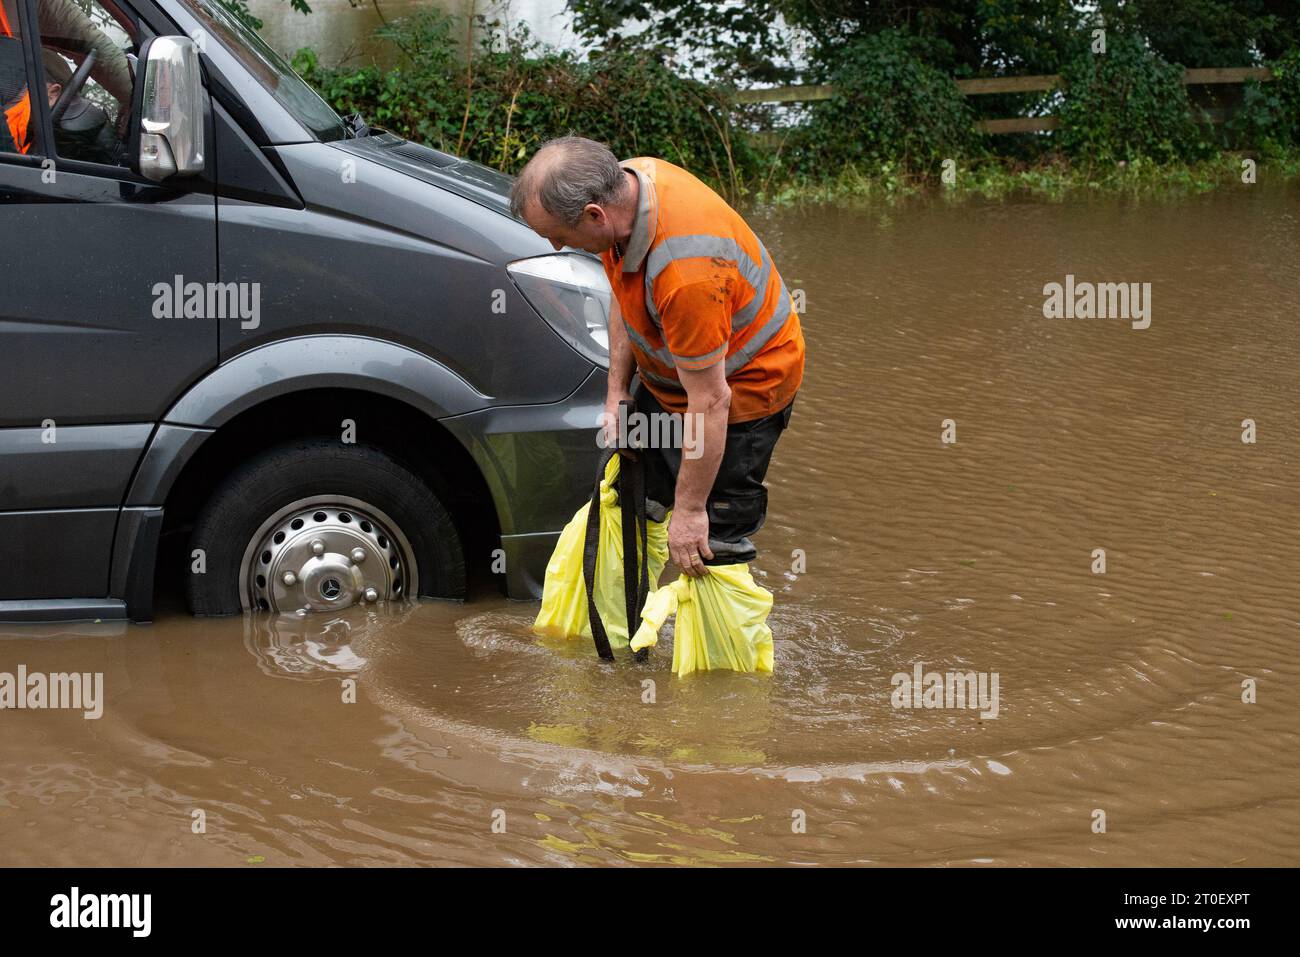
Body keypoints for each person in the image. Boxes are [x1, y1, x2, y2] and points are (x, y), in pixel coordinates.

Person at [510, 136, 804, 580]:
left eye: (559, 236)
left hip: (742, 393)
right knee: (630, 495)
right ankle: (631, 638)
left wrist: (689, 510)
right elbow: (624, 291)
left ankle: (713, 639)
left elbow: (710, 402)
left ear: (594, 215)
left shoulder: (687, 275)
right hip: (673, 376)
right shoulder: (628, 183)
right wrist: (617, 394)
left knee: (707, 543)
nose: (556, 247)